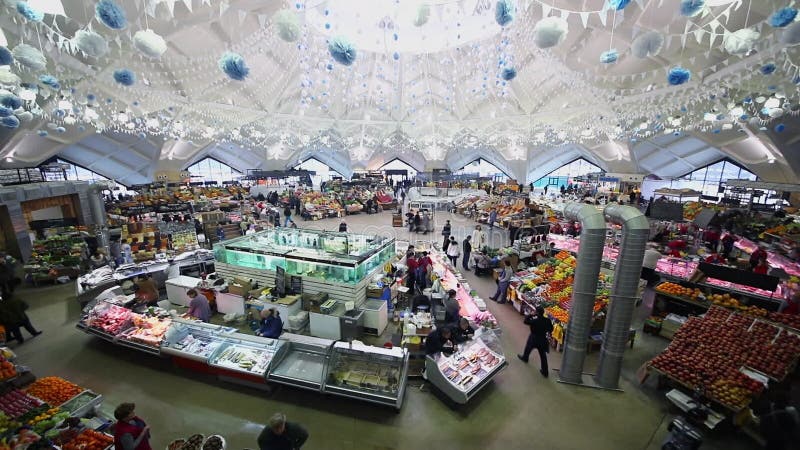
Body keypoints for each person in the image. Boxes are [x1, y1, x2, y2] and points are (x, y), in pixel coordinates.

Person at [518, 306, 554, 377]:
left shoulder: (535, 320)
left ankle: (525, 358)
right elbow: (551, 329)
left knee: (528, 347)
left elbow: (525, 321)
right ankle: (545, 371)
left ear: (536, 312)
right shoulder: (547, 320)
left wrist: (530, 315)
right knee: (543, 355)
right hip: (543, 339)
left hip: (534, 337)